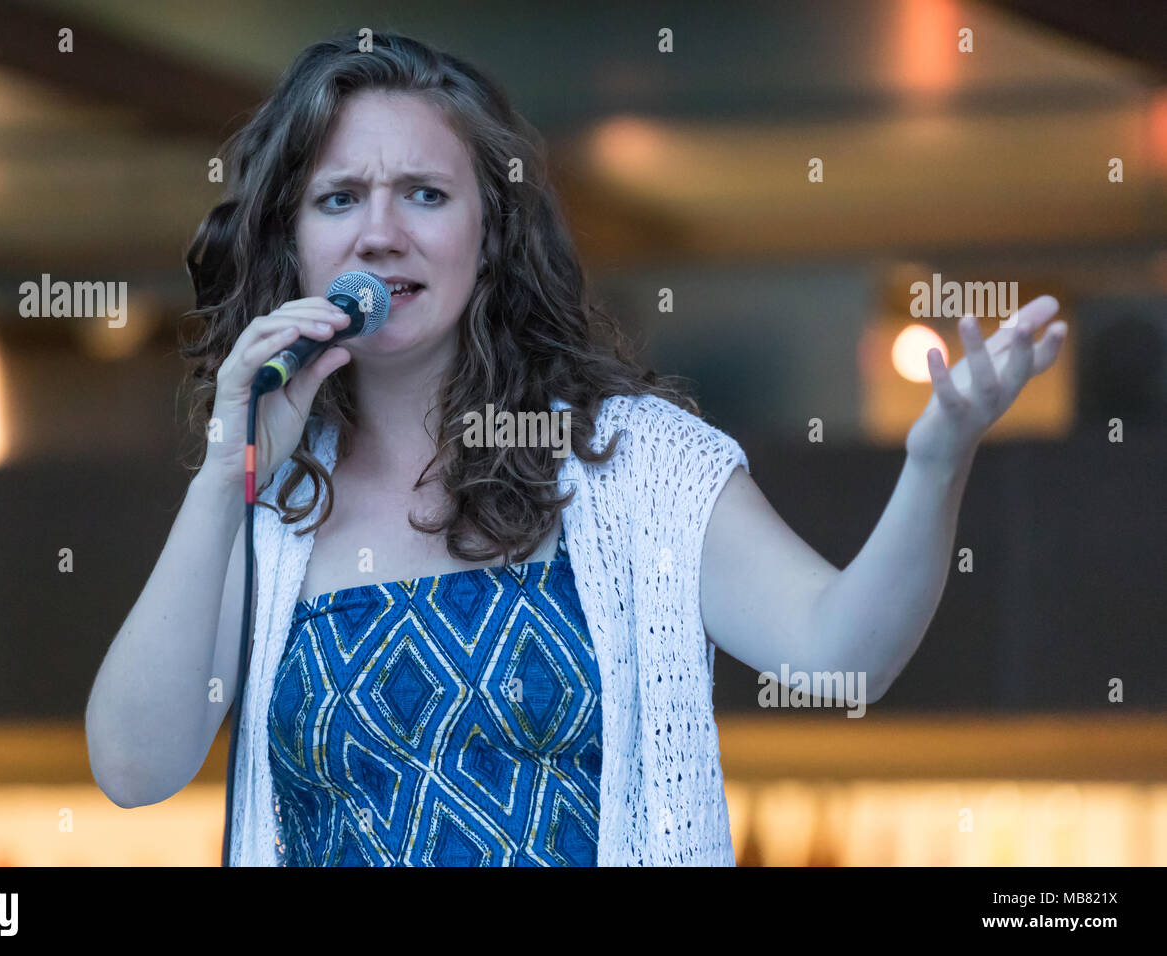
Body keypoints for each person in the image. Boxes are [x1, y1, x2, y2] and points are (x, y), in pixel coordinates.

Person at [84, 30, 1067, 867]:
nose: (379, 233)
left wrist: (937, 460)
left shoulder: (630, 462)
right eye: (339, 197)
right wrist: (228, 473)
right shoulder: (269, 495)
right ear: (291, 238)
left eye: (425, 194)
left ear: (490, 230)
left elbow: (838, 655)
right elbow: (134, 768)